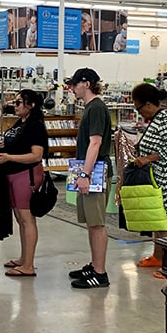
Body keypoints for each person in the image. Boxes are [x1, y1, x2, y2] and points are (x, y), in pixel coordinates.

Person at [0, 89, 49, 277]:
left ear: (30, 105)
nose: (14, 106)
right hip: (14, 175)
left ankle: (28, 265)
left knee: (27, 219)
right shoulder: (20, 123)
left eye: (19, 102)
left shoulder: (35, 126)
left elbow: (36, 155)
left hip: (26, 175)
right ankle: (24, 258)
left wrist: (9, 157)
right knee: (20, 219)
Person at [131, 83, 167, 279]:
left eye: (138, 108)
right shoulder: (156, 119)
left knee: (166, 219)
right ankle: (158, 256)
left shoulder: (166, 118)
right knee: (158, 217)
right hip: (159, 174)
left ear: (148, 104)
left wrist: (148, 158)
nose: (139, 113)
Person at [67, 68, 111, 288]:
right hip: (90, 169)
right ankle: (95, 265)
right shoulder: (91, 108)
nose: (72, 88)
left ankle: (100, 273)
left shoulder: (96, 108)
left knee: (97, 223)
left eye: (74, 84)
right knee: (91, 223)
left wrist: (85, 173)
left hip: (95, 171)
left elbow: (95, 142)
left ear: (86, 83)